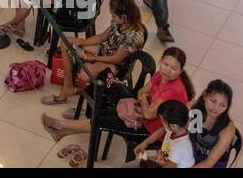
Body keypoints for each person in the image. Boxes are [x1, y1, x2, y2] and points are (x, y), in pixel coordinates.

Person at [47, 46, 196, 161]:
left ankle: (61, 126)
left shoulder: (174, 90)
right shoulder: (161, 74)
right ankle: (62, 130)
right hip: (141, 113)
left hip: (151, 129)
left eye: (173, 68)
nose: (167, 70)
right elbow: (141, 92)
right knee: (106, 90)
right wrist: (143, 101)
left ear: (180, 71)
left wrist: (143, 100)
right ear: (161, 61)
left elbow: (149, 114)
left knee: (102, 119)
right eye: (165, 64)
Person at [39, 0, 147, 108]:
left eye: (114, 16)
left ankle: (90, 105)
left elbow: (116, 58)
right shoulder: (119, 22)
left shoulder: (134, 37)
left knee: (85, 74)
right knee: (67, 43)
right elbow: (102, 37)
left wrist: (91, 58)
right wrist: (81, 42)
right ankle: (68, 87)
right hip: (106, 50)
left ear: (124, 17)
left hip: (116, 64)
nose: (112, 18)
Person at [189, 79, 238, 168]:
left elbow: (209, 162)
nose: (216, 108)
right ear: (205, 96)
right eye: (213, 101)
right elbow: (178, 126)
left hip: (213, 163)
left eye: (222, 105)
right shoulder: (194, 108)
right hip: (193, 151)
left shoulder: (227, 129)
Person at [135, 100, 196, 168]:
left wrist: (146, 159)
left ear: (173, 126)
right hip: (165, 156)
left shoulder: (180, 147)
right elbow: (163, 130)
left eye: (162, 120)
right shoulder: (177, 128)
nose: (161, 122)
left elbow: (168, 166)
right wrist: (145, 143)